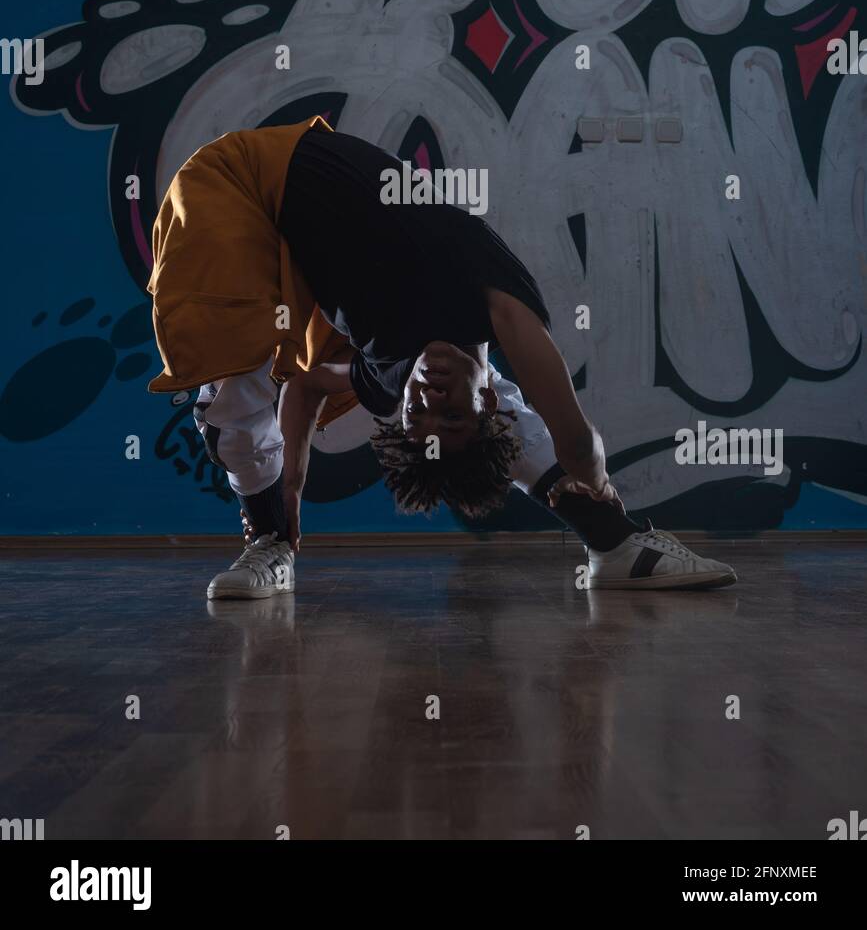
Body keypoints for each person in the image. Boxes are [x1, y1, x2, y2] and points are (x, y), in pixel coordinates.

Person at [147, 116, 736, 597]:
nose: (429, 396)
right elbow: (577, 441)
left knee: (234, 381)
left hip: (293, 243)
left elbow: (305, 386)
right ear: (476, 402)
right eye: (448, 411)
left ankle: (272, 541)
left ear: (400, 409)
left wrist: (292, 488)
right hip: (239, 180)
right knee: (232, 367)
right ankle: (614, 535)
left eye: (418, 415)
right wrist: (600, 488)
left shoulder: (391, 377)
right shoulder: (496, 300)